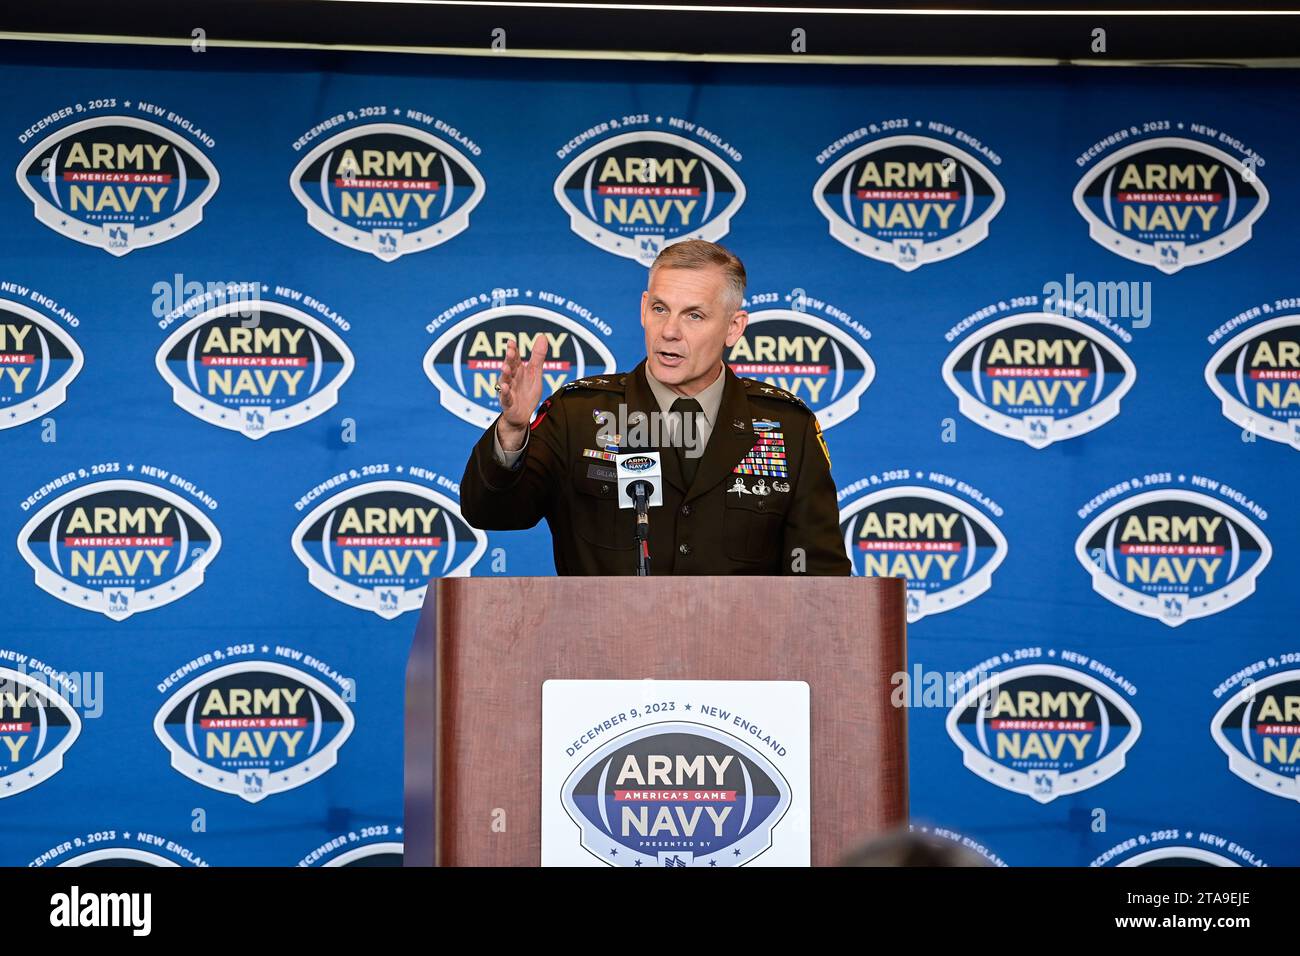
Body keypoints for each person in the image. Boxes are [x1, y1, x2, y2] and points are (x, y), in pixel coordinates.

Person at [458, 239, 850, 576]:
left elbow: (821, 577)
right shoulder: (576, 415)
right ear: (644, 308)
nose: (669, 331)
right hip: (605, 659)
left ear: (734, 327)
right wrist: (512, 430)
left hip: (740, 660)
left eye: (693, 315)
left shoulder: (787, 427)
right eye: (660, 309)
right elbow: (492, 513)